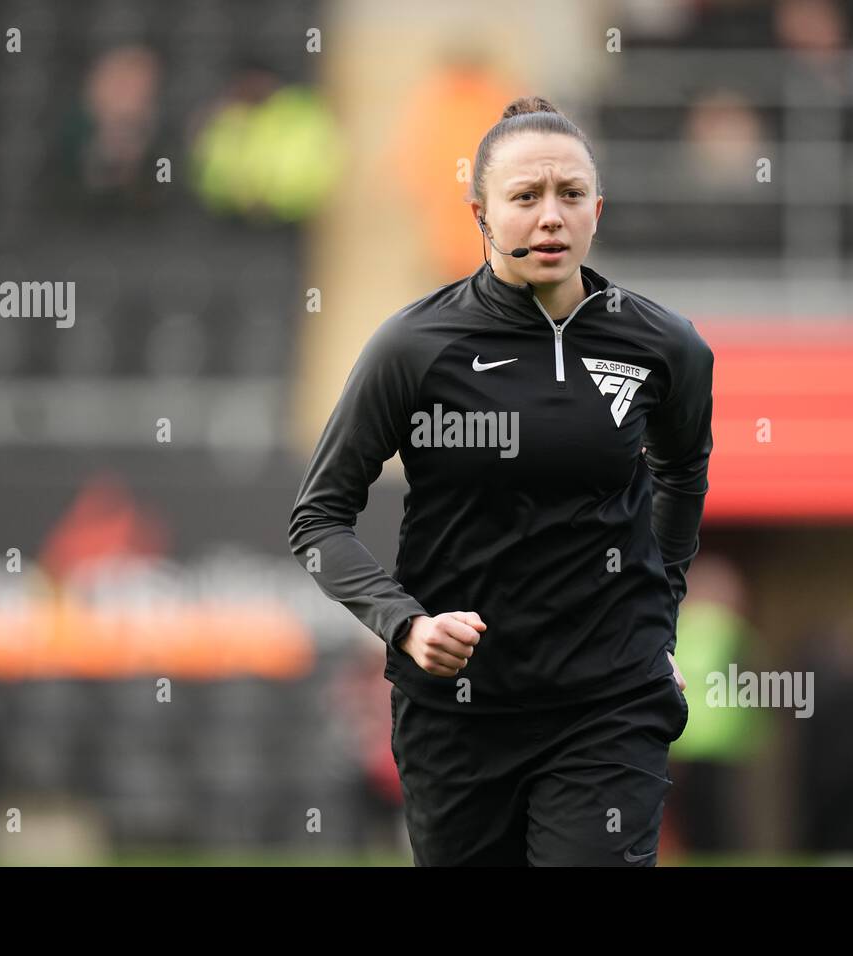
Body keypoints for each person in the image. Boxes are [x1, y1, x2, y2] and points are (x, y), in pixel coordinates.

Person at [289, 96, 714, 866]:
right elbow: (318, 521)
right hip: (459, 717)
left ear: (597, 209)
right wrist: (407, 625)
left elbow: (682, 473)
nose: (550, 217)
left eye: (570, 195)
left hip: (609, 705)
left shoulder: (667, 346)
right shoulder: (412, 348)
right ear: (480, 212)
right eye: (525, 197)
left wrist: (659, 616)